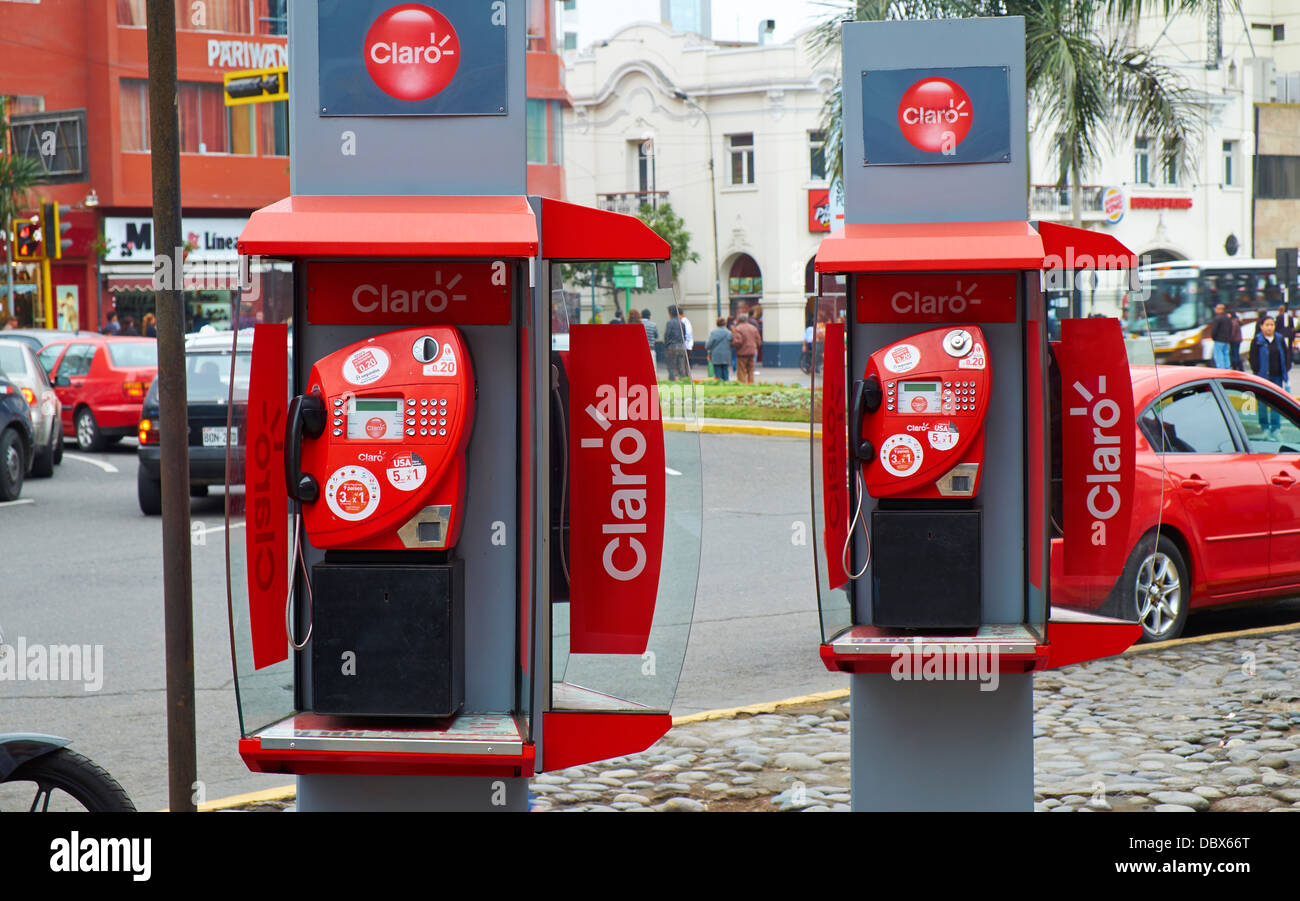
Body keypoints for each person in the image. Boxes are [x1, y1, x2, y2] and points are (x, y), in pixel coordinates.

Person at [1249, 315, 1291, 439]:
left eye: (1272, 325)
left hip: (1277, 377)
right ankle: (1265, 428)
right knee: (1262, 404)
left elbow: (1286, 355)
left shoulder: (1279, 338)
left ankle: (1275, 429)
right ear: (1261, 326)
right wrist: (1257, 372)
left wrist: (1286, 369)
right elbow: (1253, 358)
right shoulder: (1257, 340)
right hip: (1263, 378)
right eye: (1267, 325)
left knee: (1276, 404)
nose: (1269, 327)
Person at [731, 313, 762, 384]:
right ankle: (751, 383)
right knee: (750, 370)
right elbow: (758, 341)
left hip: (742, 353)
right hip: (752, 351)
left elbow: (738, 342)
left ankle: (742, 384)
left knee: (741, 370)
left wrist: (733, 345)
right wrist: (755, 347)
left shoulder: (738, 328)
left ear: (738, 320)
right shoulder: (753, 328)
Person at [663, 305, 689, 381]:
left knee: (671, 366)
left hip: (672, 347)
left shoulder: (669, 322)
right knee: (681, 366)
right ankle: (683, 380)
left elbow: (667, 335)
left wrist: (666, 345)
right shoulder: (682, 323)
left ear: (670, 313)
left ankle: (672, 381)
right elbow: (684, 336)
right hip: (681, 346)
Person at [1209, 303, 1232, 369]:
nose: (1215, 310)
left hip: (1219, 340)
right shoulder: (1227, 318)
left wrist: (1213, 337)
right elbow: (1231, 328)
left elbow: (1214, 330)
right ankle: (1227, 368)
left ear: (1220, 309)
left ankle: (1221, 369)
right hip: (1226, 340)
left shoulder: (1217, 318)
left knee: (1219, 355)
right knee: (1226, 355)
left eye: (1216, 308)